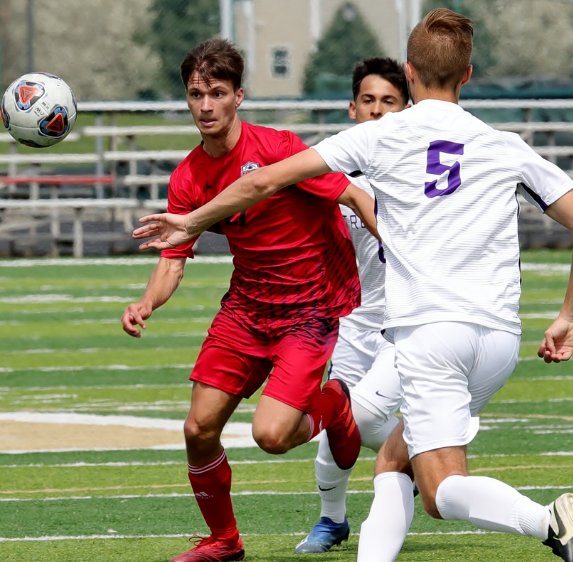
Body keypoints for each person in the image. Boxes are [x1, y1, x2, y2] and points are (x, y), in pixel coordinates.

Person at [132, 10, 573, 562]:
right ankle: (319, 517)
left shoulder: (380, 137)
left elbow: (262, 179)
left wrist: (191, 222)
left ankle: (548, 522)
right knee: (392, 463)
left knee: (442, 492)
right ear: (469, 74)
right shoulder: (505, 144)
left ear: (408, 74)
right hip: (500, 341)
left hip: (429, 337)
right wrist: (569, 317)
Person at [121, 38, 379, 562]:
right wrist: (147, 302)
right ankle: (224, 541)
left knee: (272, 436)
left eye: (217, 93)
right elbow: (173, 256)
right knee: (198, 428)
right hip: (247, 308)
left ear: (239, 96)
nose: (206, 106)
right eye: (196, 95)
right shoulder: (189, 175)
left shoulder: (278, 149)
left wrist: (402, 249)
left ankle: (337, 404)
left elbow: (352, 193)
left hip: (310, 308)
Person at [294, 57, 410, 555]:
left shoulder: (423, 167)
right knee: (334, 424)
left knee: (355, 419)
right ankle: (333, 520)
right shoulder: (332, 170)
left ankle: (420, 460)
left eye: (390, 101)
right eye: (369, 101)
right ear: (352, 108)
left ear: (407, 108)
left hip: (408, 326)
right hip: (351, 324)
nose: (378, 111)